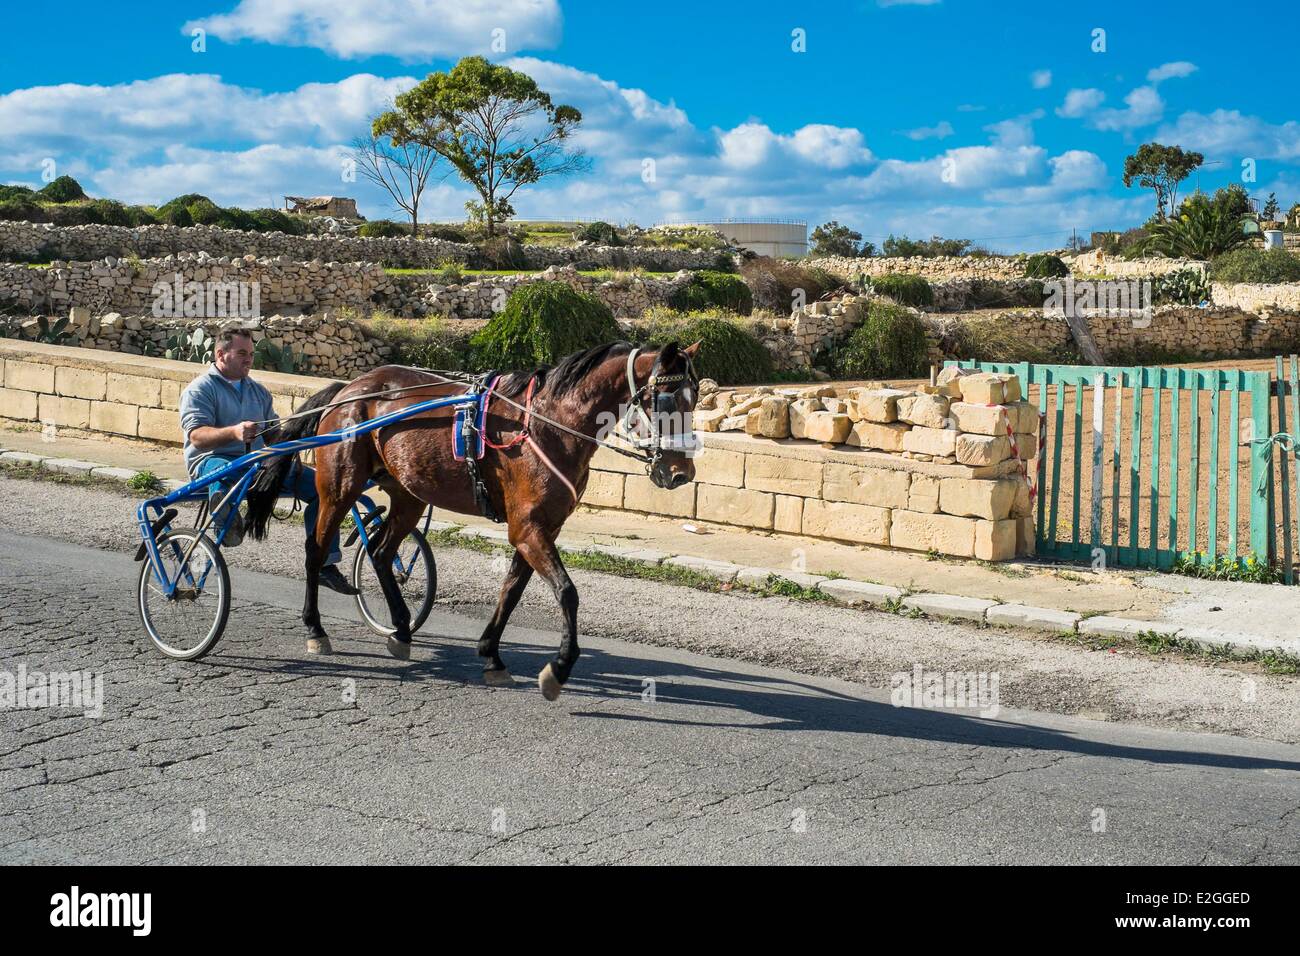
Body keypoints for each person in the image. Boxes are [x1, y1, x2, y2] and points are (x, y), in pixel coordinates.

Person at [178, 325, 358, 595]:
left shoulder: (258, 392)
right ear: (220, 354)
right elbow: (197, 436)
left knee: (325, 490)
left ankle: (324, 562)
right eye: (241, 353)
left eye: (250, 353)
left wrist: (297, 446)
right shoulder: (200, 389)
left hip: (257, 465)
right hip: (211, 462)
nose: (249, 359)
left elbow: (273, 433)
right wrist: (234, 432)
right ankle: (223, 514)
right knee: (222, 470)